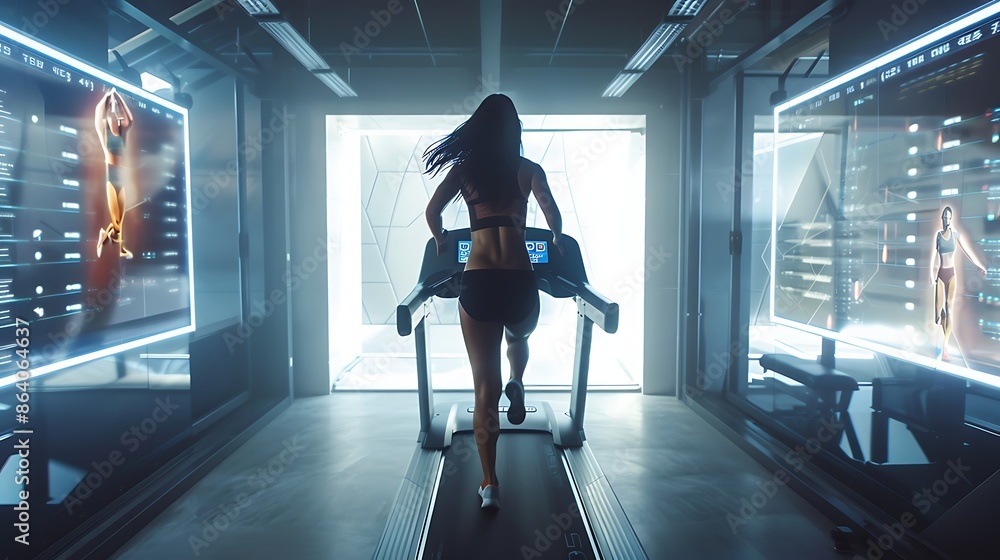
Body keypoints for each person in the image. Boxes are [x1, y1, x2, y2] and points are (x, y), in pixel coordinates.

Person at [423, 94, 563, 510]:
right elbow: (552, 212)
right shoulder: (528, 170)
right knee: (518, 336)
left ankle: (490, 485)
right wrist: (555, 238)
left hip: (479, 281)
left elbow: (433, 211)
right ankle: (518, 381)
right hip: (519, 282)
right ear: (514, 130)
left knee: (485, 385)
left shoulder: (465, 172)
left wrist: (441, 238)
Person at [931, 206, 986, 361]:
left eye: (948, 217)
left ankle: (945, 347)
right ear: (942, 218)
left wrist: (979, 265)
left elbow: (967, 251)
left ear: (951, 218)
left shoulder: (955, 235)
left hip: (951, 274)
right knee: (938, 314)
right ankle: (942, 336)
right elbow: (935, 257)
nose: (946, 220)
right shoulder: (938, 235)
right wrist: (932, 274)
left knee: (949, 309)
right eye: (944, 217)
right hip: (940, 274)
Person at [95, 87, 134, 259]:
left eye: (114, 114)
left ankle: (112, 241)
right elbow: (97, 113)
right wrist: (107, 96)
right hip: (111, 176)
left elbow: (130, 119)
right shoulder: (104, 131)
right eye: (110, 114)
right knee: (116, 223)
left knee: (121, 221)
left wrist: (117, 96)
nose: (113, 118)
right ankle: (104, 237)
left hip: (122, 177)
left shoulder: (122, 131)